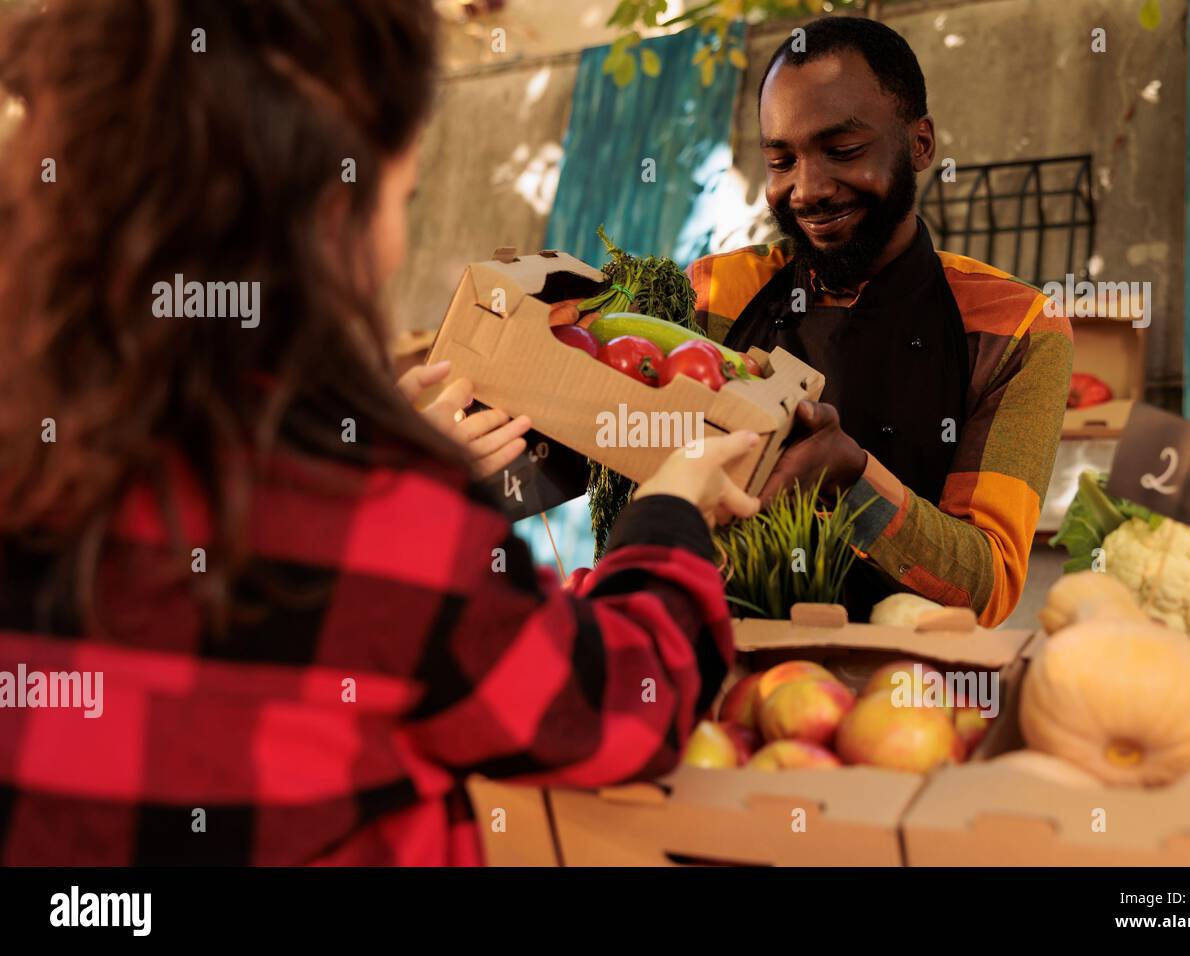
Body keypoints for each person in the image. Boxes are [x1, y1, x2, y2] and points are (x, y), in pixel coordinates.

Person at [0, 0, 757, 865]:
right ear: (329, 218)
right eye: (402, 197)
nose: (396, 243)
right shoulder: (386, 526)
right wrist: (670, 507)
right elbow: (616, 709)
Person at [687, 16, 1073, 626]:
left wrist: (854, 477)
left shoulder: (1015, 326)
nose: (806, 189)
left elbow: (989, 584)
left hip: (904, 694)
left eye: (841, 151)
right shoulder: (716, 294)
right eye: (781, 160)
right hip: (716, 668)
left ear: (920, 145)